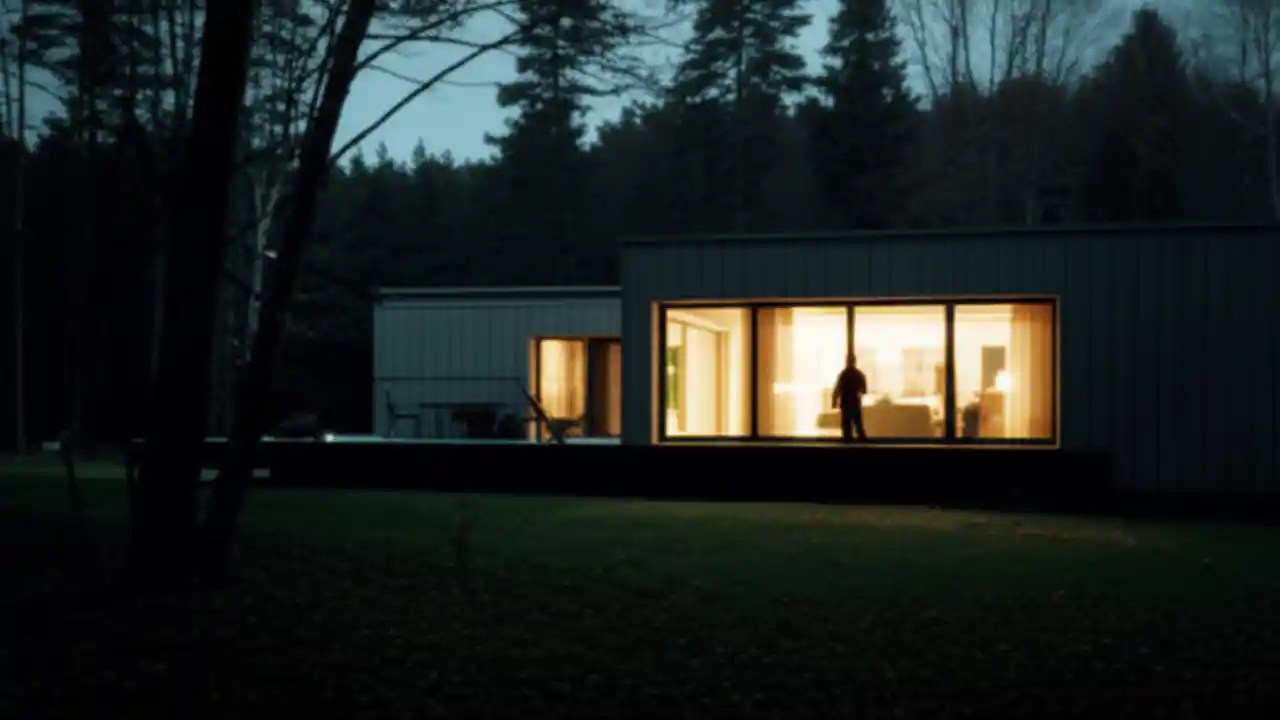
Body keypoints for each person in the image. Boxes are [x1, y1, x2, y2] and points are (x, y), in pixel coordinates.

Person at [832, 353, 868, 442]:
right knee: (858, 425)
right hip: (855, 401)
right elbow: (864, 390)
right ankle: (863, 443)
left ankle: (847, 443)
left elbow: (838, 388)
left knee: (846, 426)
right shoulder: (859, 374)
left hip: (846, 401)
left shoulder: (844, 374)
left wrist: (834, 400)